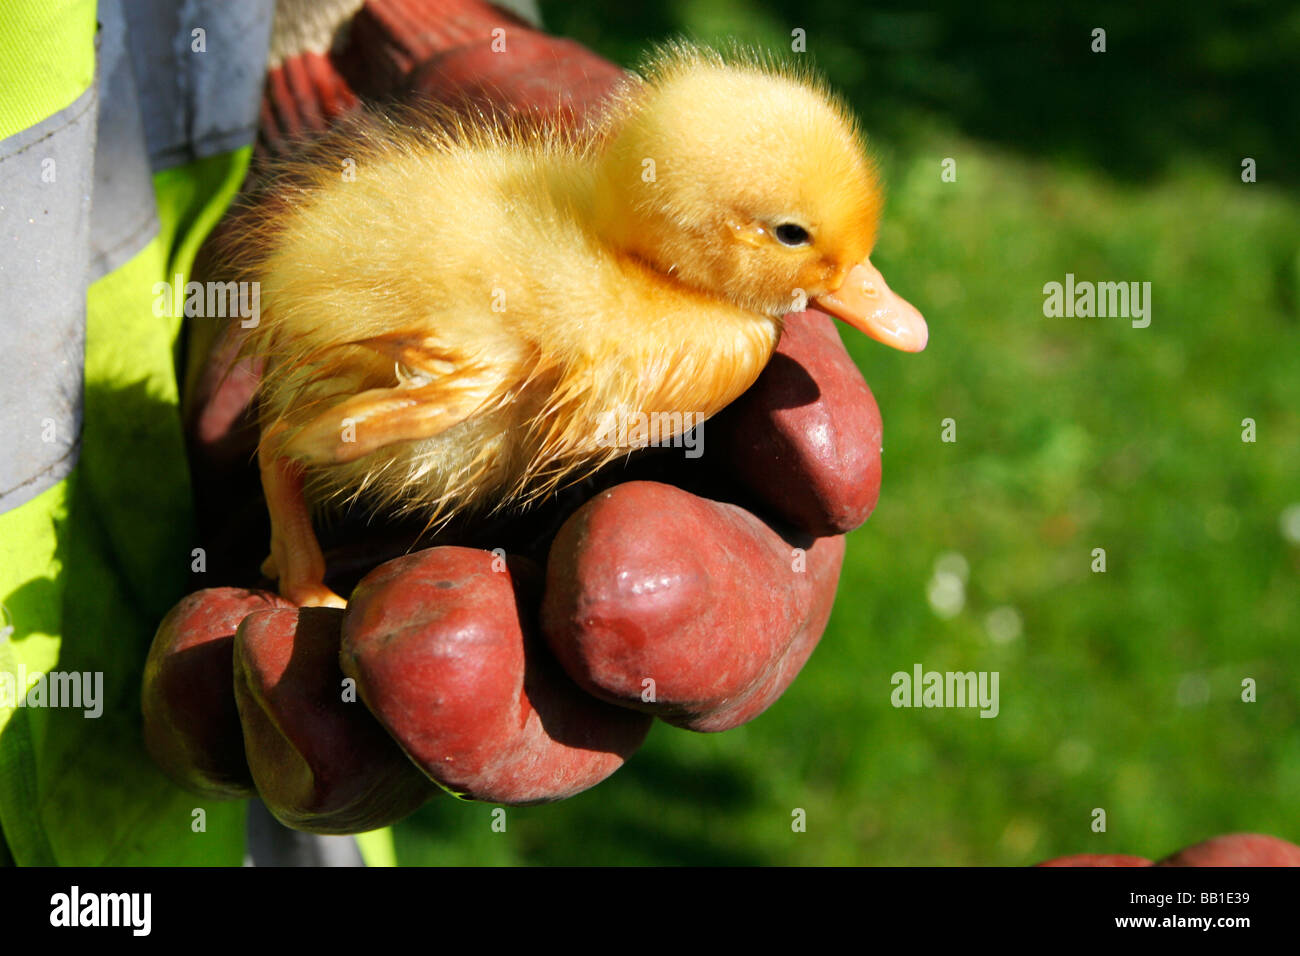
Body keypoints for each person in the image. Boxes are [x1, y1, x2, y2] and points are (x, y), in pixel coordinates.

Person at [0, 0, 884, 866]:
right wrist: (300, 487)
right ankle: (296, 552)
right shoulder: (528, 336)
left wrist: (353, 30)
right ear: (696, 221)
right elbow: (320, 405)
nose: (859, 288)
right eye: (798, 237)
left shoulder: (647, 287)